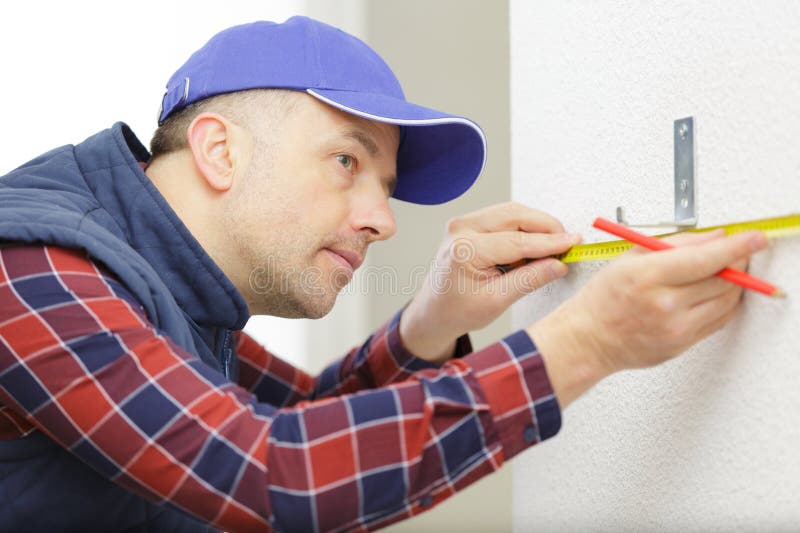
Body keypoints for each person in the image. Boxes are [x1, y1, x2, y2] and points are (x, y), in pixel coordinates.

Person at [0, 16, 768, 533]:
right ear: (220, 150)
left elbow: (304, 418)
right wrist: (585, 346)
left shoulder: (163, 288)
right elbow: (271, 471)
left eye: (387, 184)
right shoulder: (34, 268)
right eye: (347, 160)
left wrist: (428, 325)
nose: (384, 219)